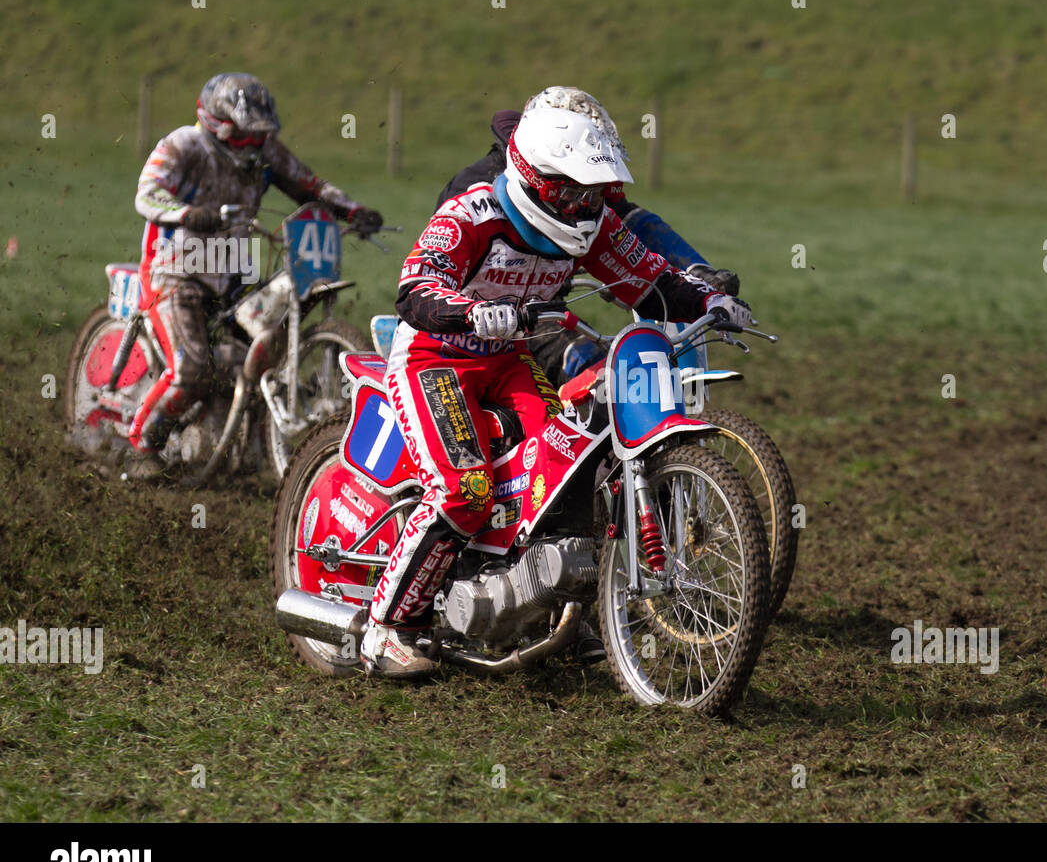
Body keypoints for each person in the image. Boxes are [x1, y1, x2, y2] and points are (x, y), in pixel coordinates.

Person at [361, 95, 754, 678]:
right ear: (536, 179)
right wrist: (471, 312)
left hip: (511, 359)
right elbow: (415, 289)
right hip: (434, 358)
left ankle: (552, 606)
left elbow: (651, 281)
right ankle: (388, 626)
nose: (583, 207)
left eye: (593, 194)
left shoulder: (594, 228)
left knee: (567, 463)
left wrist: (711, 301)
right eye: (572, 193)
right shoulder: (472, 212)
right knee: (466, 490)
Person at [125, 72, 384, 479]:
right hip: (173, 274)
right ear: (219, 127)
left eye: (260, 135)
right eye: (246, 136)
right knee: (191, 370)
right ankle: (142, 447)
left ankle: (238, 444)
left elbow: (310, 185)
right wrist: (188, 214)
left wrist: (352, 211)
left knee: (253, 350)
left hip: (231, 278)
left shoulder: (267, 152)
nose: (255, 144)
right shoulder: (183, 145)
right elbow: (147, 193)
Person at [437, 87, 739, 385]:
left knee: (623, 376)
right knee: (590, 371)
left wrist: (700, 273)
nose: (586, 202)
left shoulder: (588, 194)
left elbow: (630, 222)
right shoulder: (475, 192)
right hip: (475, 327)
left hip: (545, 308)